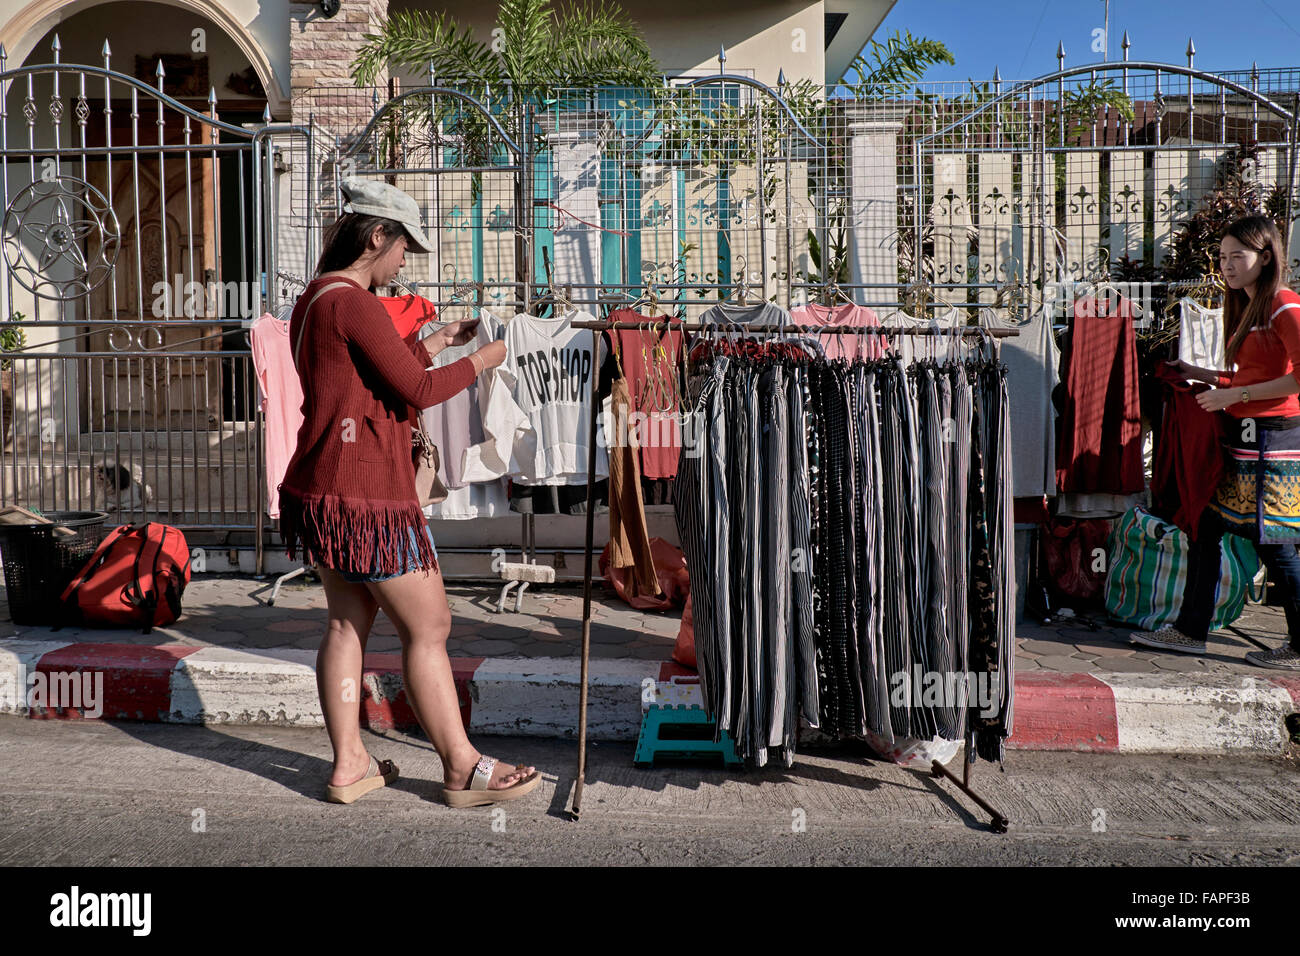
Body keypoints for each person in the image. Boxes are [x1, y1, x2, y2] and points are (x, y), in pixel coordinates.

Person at [279, 178, 543, 805]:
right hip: (369, 498)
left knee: (346, 626)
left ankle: (349, 766)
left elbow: (368, 378)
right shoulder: (358, 304)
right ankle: (461, 767)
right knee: (430, 625)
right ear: (376, 237)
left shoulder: (315, 301)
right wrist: (483, 360)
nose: (404, 265)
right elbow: (417, 393)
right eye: (404, 249)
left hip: (322, 494)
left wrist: (435, 342)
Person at [1130, 214, 1300, 669]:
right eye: (1222, 257)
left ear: (1265, 257)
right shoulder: (1247, 307)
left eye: (1237, 256)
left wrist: (1235, 393)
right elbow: (1254, 376)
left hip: (1273, 441)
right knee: (1207, 527)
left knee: (1275, 543)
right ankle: (1190, 631)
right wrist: (1204, 376)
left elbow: (1296, 379)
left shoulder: (1284, 304)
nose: (1227, 265)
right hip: (1245, 440)